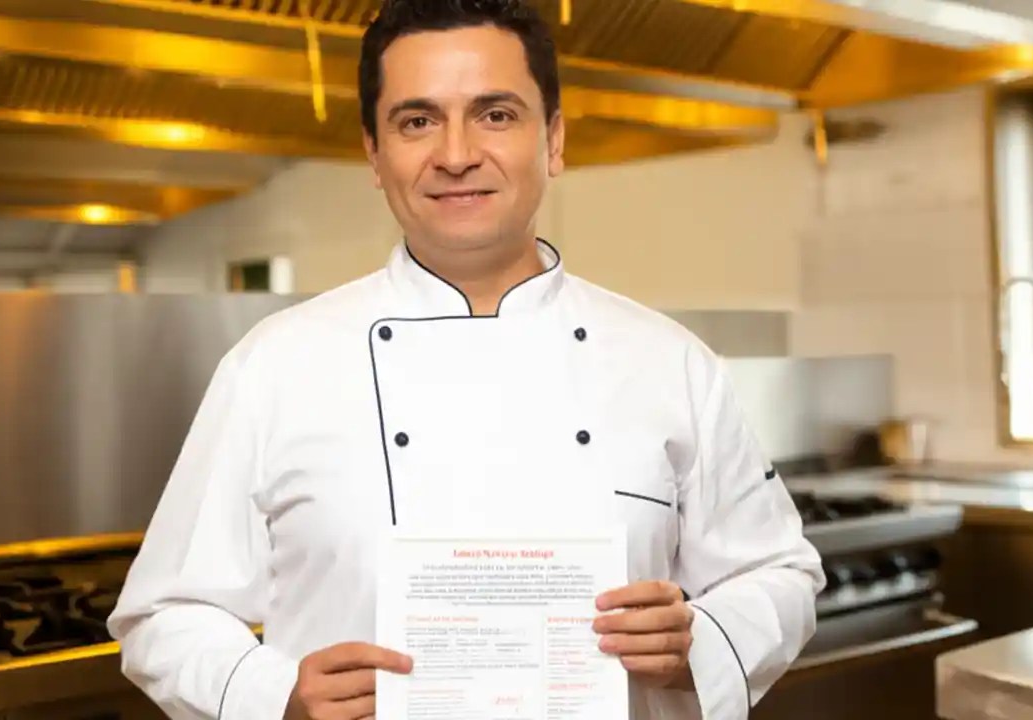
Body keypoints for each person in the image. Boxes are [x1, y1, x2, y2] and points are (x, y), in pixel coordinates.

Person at [107, 1, 825, 718]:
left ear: (553, 141)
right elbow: (163, 615)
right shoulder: (272, 367)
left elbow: (780, 572)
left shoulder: (671, 364)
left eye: (495, 114)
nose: (455, 155)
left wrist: (697, 641)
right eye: (416, 121)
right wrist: (276, 696)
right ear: (374, 153)